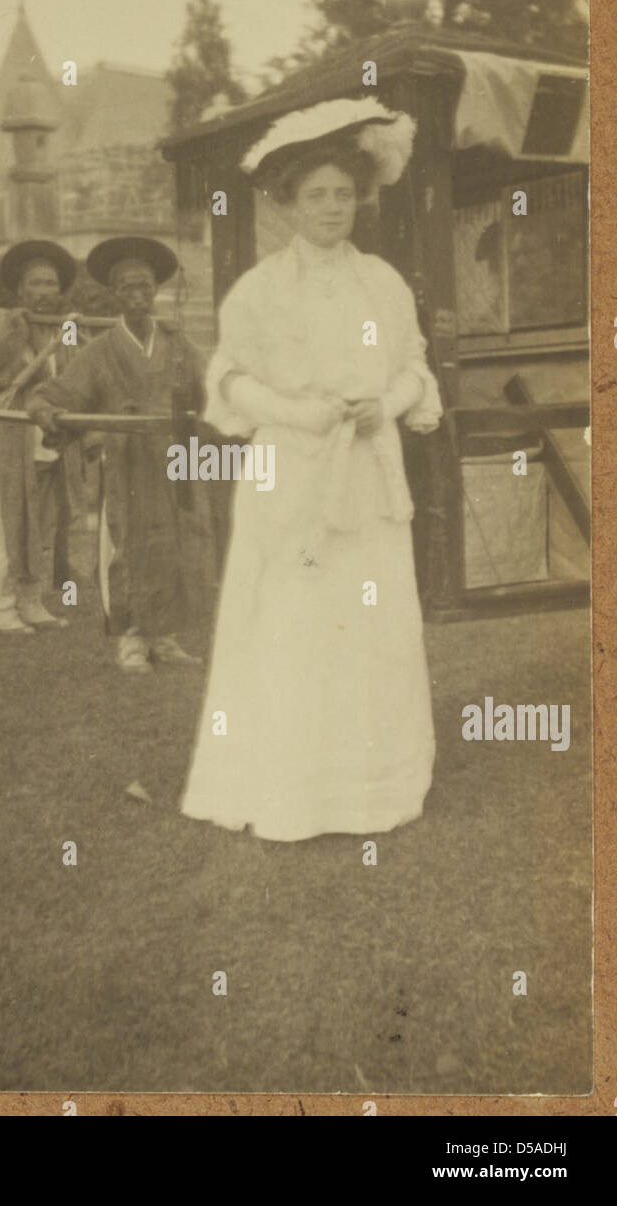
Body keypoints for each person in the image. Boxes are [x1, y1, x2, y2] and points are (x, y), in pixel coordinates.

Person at [180, 97, 443, 842]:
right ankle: (285, 785)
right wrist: (299, 413)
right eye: (316, 196)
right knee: (293, 621)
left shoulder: (383, 285)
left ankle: (372, 788)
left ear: (361, 198)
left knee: (366, 622)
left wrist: (381, 404)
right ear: (288, 205)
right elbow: (226, 381)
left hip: (365, 472)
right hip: (287, 477)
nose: (333, 208)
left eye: (343, 194)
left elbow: (417, 371)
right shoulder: (261, 290)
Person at [27, 236, 206, 674]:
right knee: (128, 547)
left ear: (156, 291)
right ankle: (130, 638)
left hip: (175, 461)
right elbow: (53, 393)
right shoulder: (100, 350)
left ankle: (162, 636)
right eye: (128, 289)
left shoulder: (178, 342)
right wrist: (48, 411)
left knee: (173, 545)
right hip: (125, 465)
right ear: (114, 294)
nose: (139, 297)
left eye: (145, 287)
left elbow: (213, 386)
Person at [0, 238, 80, 634]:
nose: (44, 292)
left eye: (51, 284)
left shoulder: (65, 329)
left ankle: (32, 601)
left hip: (48, 436)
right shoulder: (2, 323)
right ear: (20, 290)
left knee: (42, 521)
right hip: (9, 432)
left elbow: (74, 375)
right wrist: (16, 334)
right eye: (35, 284)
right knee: (5, 520)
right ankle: (2, 603)